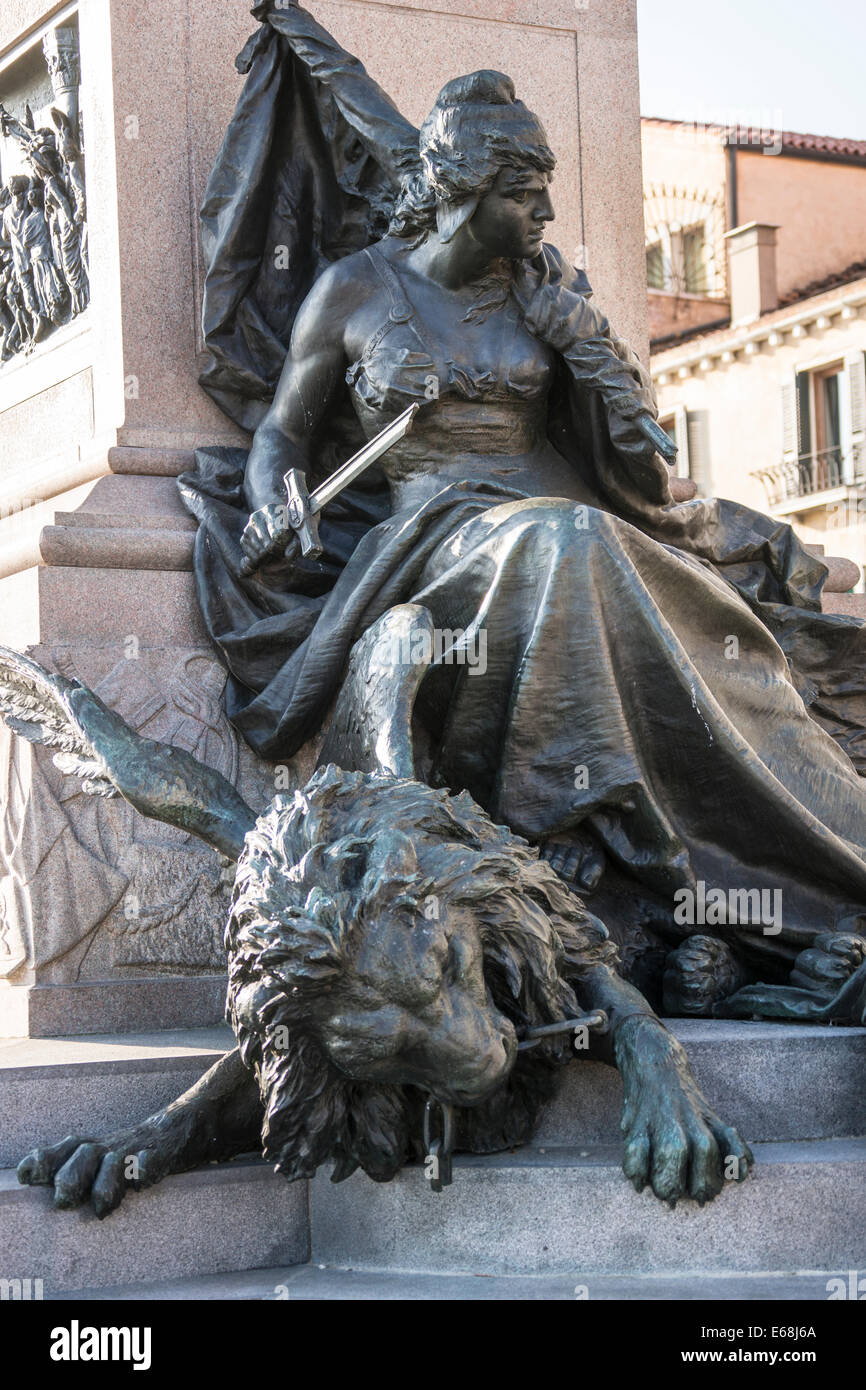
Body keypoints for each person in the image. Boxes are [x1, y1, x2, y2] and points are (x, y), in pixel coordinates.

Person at [180, 2, 866, 1021]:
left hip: (558, 525)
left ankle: (790, 868)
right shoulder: (353, 291)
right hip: (427, 535)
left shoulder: (544, 298)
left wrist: (587, 351)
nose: (547, 208)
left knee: (683, 600)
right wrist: (280, 491)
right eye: (527, 188)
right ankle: (597, 832)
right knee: (567, 544)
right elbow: (283, 427)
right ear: (467, 194)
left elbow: (635, 466)